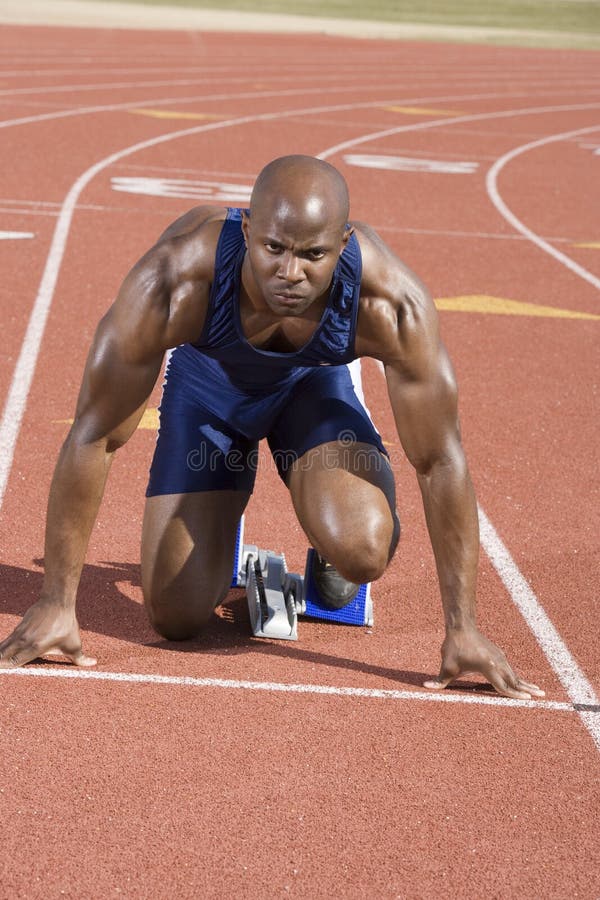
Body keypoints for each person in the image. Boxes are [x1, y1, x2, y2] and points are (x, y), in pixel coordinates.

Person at [0, 155, 544, 701]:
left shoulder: (388, 303)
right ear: (247, 228)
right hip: (211, 393)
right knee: (177, 617)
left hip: (313, 388)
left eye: (313, 255)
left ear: (343, 244)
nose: (290, 273)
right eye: (273, 249)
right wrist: (55, 601)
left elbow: (439, 458)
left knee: (364, 551)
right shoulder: (175, 281)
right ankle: (222, 514)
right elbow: (94, 435)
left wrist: (463, 627)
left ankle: (326, 531)